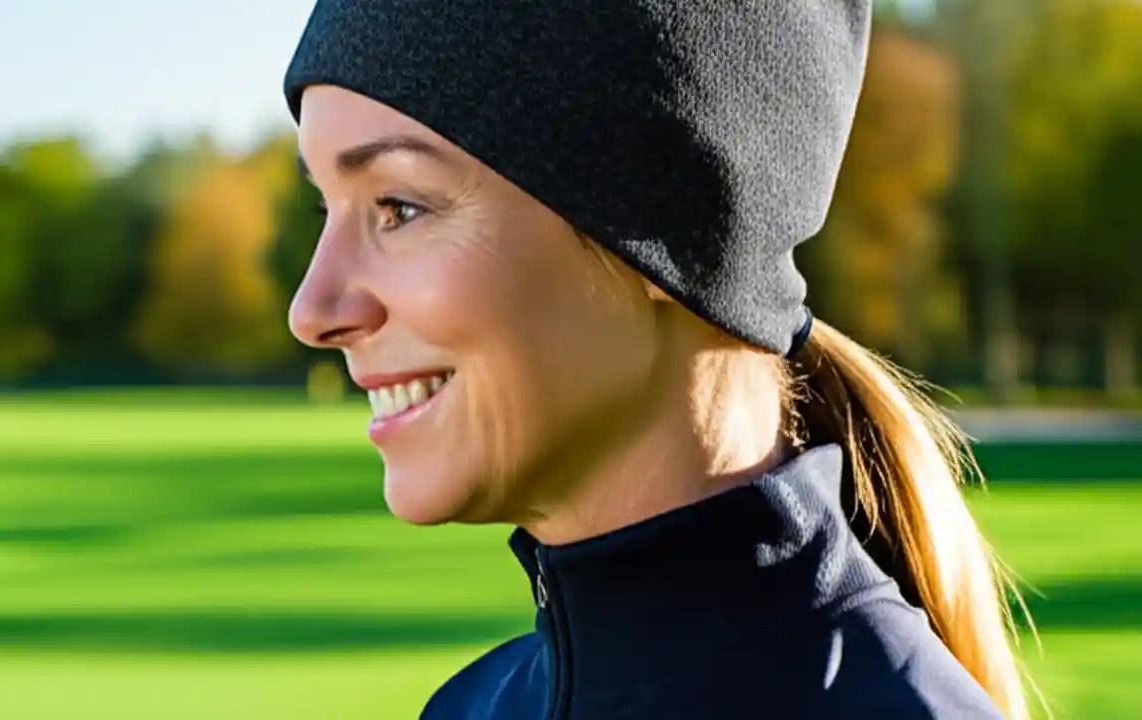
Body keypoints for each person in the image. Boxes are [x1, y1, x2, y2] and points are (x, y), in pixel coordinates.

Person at [282, 2, 1034, 718]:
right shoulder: (469, 708)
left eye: (399, 207)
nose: (312, 311)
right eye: (326, 206)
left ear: (671, 229)